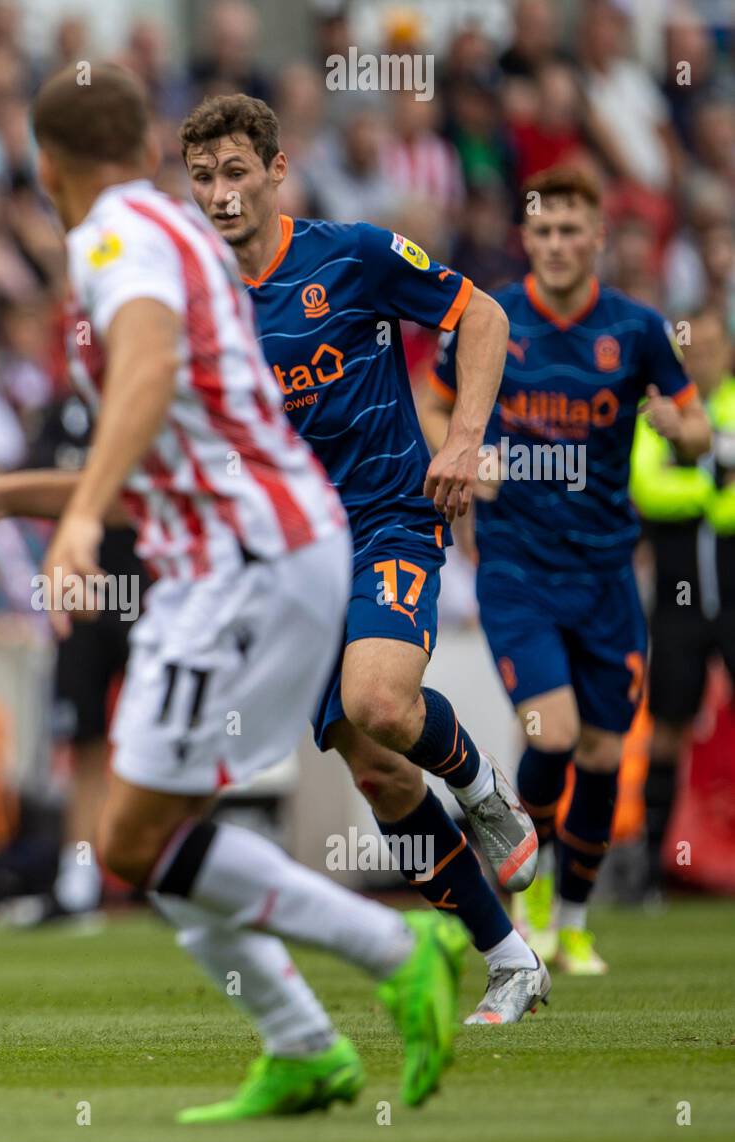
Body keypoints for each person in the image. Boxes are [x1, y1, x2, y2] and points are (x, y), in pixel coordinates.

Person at [0, 64, 468, 1123]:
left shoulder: (113, 242)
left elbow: (152, 376)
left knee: (133, 837)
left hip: (243, 558)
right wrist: (11, 496)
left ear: (45, 164)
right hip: (253, 543)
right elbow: (178, 449)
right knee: (158, 828)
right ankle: (303, 1044)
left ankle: (402, 947)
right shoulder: (180, 241)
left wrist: (73, 522)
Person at [178, 93, 545, 1026]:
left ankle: (478, 783)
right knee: (380, 774)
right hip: (291, 563)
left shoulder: (354, 255)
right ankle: (510, 959)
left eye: (233, 172)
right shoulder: (194, 304)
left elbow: (485, 319)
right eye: (201, 177)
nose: (219, 194)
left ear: (274, 170)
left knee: (384, 700)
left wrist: (462, 440)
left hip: (388, 517)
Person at [423, 166, 711, 973]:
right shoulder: (492, 318)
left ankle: (574, 920)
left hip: (608, 571)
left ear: (597, 238)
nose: (553, 244)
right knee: (548, 727)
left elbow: (692, 422)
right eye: (540, 230)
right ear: (527, 237)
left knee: (601, 754)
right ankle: (532, 889)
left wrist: (679, 429)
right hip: (516, 564)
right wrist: (460, 449)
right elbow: (432, 396)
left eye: (568, 230)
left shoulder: (640, 327)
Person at [631, 309, 735, 903]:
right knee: (667, 728)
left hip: (733, 594)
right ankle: (649, 870)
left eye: (713, 347)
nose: (703, 360)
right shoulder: (660, 413)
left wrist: (698, 488)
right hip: (680, 603)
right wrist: (712, 482)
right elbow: (647, 488)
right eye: (692, 350)